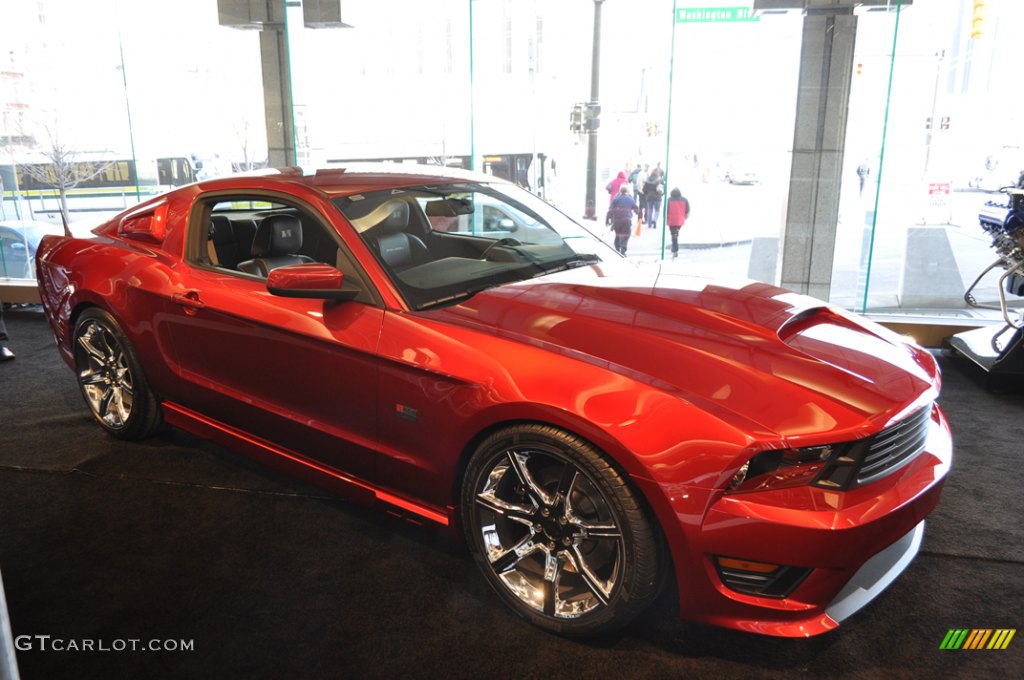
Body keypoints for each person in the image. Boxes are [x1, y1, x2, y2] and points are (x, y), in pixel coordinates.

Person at [606, 184, 640, 255]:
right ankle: (623, 250)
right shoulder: (630, 199)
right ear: (627, 191)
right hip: (627, 220)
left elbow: (610, 210)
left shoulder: (616, 199)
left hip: (617, 221)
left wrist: (607, 220)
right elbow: (637, 209)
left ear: (620, 191)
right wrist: (638, 214)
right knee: (626, 235)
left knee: (617, 234)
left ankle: (617, 249)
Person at [666, 187, 691, 259]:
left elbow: (666, 210)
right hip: (680, 220)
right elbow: (687, 210)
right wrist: (684, 217)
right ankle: (674, 248)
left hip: (671, 220)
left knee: (674, 234)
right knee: (675, 233)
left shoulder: (669, 200)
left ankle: (675, 249)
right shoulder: (684, 200)